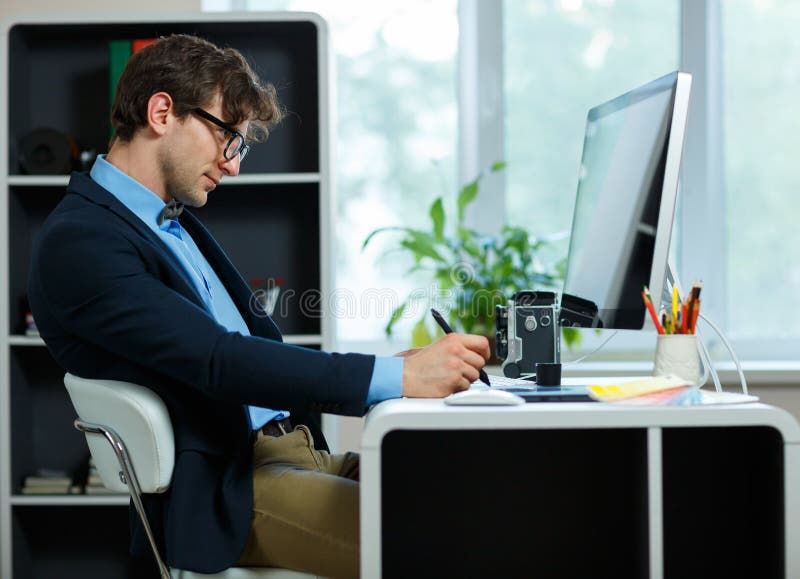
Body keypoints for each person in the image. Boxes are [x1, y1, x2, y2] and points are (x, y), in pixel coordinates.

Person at [27, 34, 488, 579]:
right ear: (161, 111)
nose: (233, 165)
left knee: (482, 508)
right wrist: (396, 377)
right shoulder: (82, 242)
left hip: (295, 455)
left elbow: (248, 352)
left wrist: (399, 371)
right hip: (233, 490)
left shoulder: (166, 222)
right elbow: (219, 361)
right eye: (228, 138)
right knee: (446, 543)